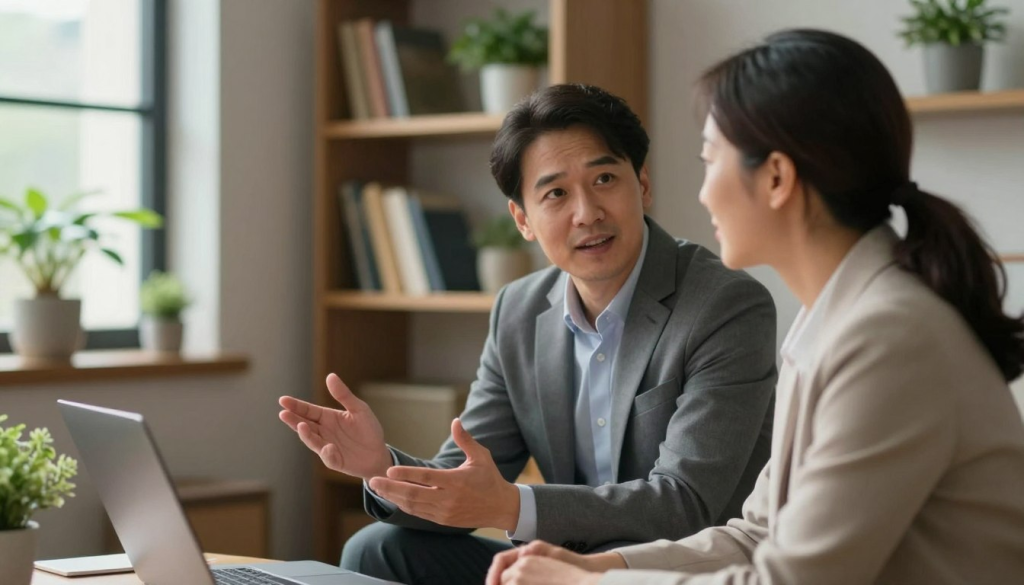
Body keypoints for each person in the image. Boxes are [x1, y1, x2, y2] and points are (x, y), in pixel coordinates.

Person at [486, 29, 1024, 585]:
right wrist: (601, 563)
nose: (701, 192)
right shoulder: (830, 323)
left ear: (776, 177)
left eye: (710, 159)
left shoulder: (888, 339)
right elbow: (757, 533)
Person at [279, 84, 778, 585]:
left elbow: (685, 503)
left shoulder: (725, 305)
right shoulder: (517, 310)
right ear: (523, 219)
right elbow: (465, 479)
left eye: (604, 178)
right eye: (556, 193)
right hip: (552, 567)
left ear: (642, 184)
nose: (586, 213)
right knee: (377, 551)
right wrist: (380, 465)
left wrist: (513, 506)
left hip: (671, 572)